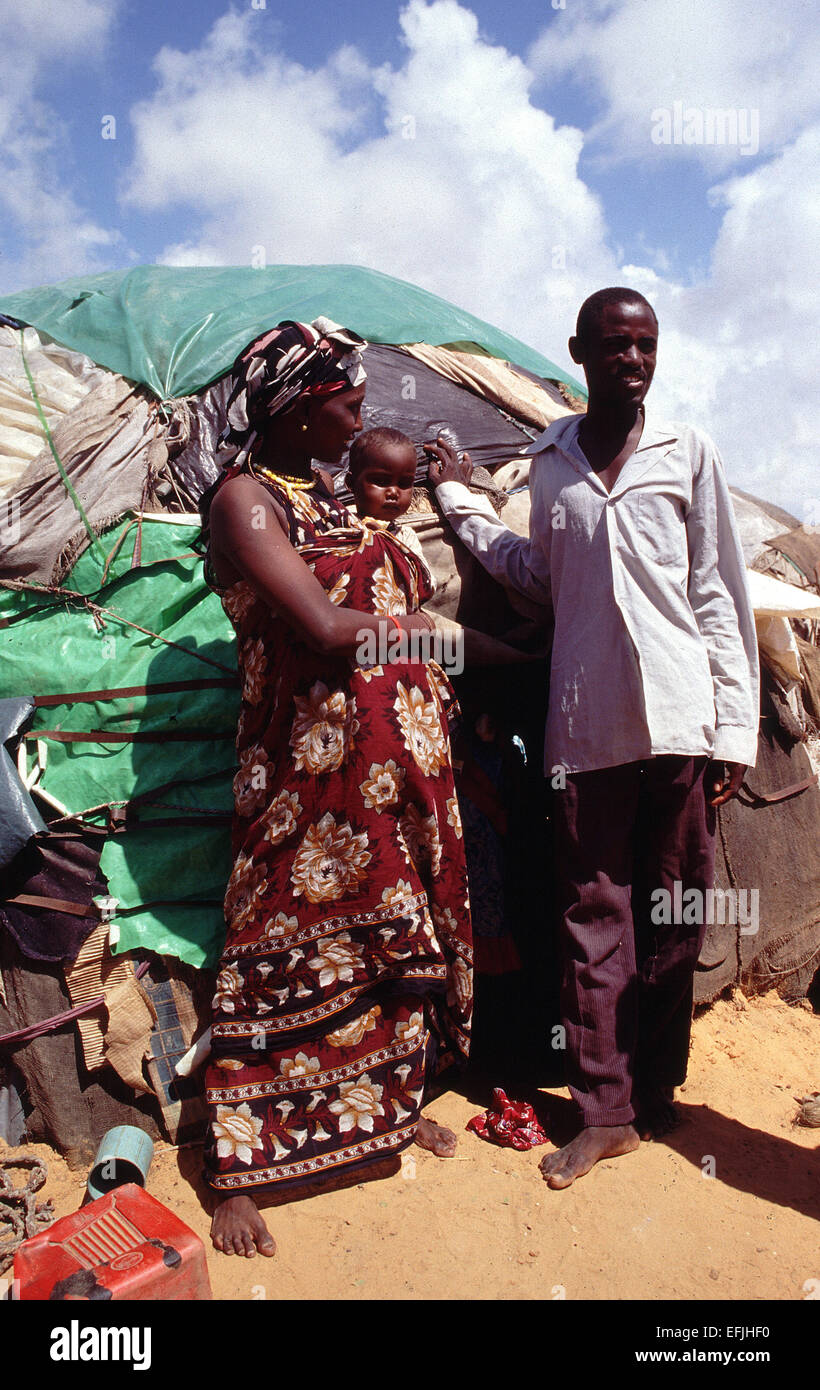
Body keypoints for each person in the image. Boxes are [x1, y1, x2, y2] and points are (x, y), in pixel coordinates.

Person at [427, 288, 759, 1188]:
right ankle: (604, 1111)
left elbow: (720, 592)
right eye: (614, 345)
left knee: (675, 915)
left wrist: (732, 730)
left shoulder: (687, 454)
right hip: (587, 726)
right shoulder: (549, 463)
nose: (632, 360)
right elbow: (539, 574)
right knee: (594, 923)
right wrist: (460, 505)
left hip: (680, 722)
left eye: (645, 344)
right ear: (579, 351)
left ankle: (656, 1089)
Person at [201, 319, 473, 1257]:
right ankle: (240, 1169)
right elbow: (319, 625)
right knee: (271, 930)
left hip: (380, 772)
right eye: (349, 404)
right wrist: (447, 645)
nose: (363, 420)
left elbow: (403, 599)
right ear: (298, 407)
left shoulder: (332, 496)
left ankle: (386, 1119)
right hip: (297, 774)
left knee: (388, 932)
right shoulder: (244, 501)